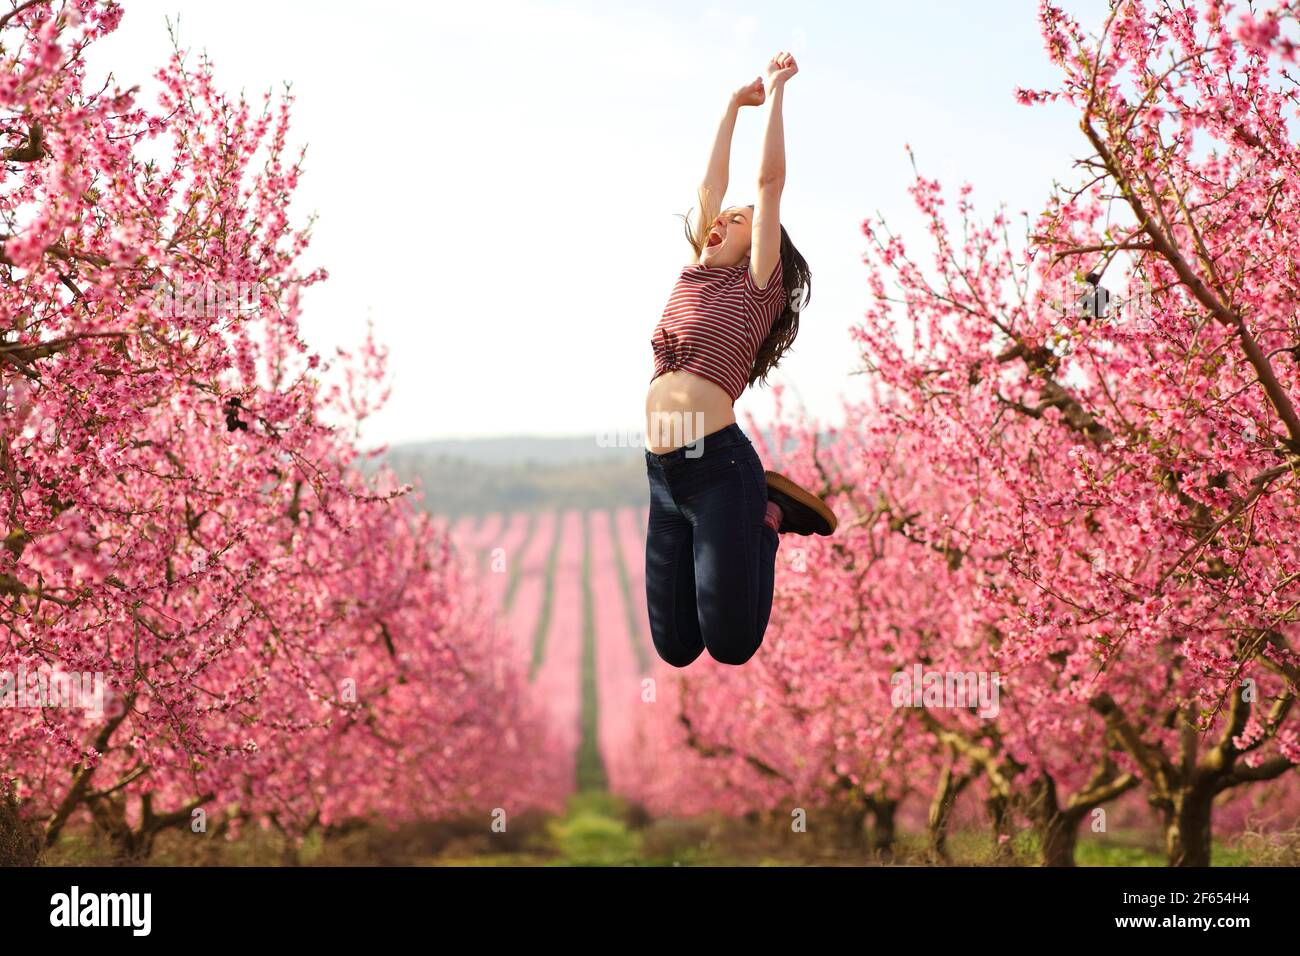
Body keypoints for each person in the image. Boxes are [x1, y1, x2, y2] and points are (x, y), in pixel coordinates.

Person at [644, 51, 837, 668]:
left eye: (739, 220)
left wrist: (776, 93)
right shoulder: (696, 269)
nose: (722, 218)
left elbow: (767, 185)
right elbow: (710, 188)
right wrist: (731, 106)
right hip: (663, 474)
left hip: (720, 471)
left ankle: (771, 516)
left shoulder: (755, 285)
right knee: (676, 649)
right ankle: (756, 518)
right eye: (720, 218)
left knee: (732, 646)